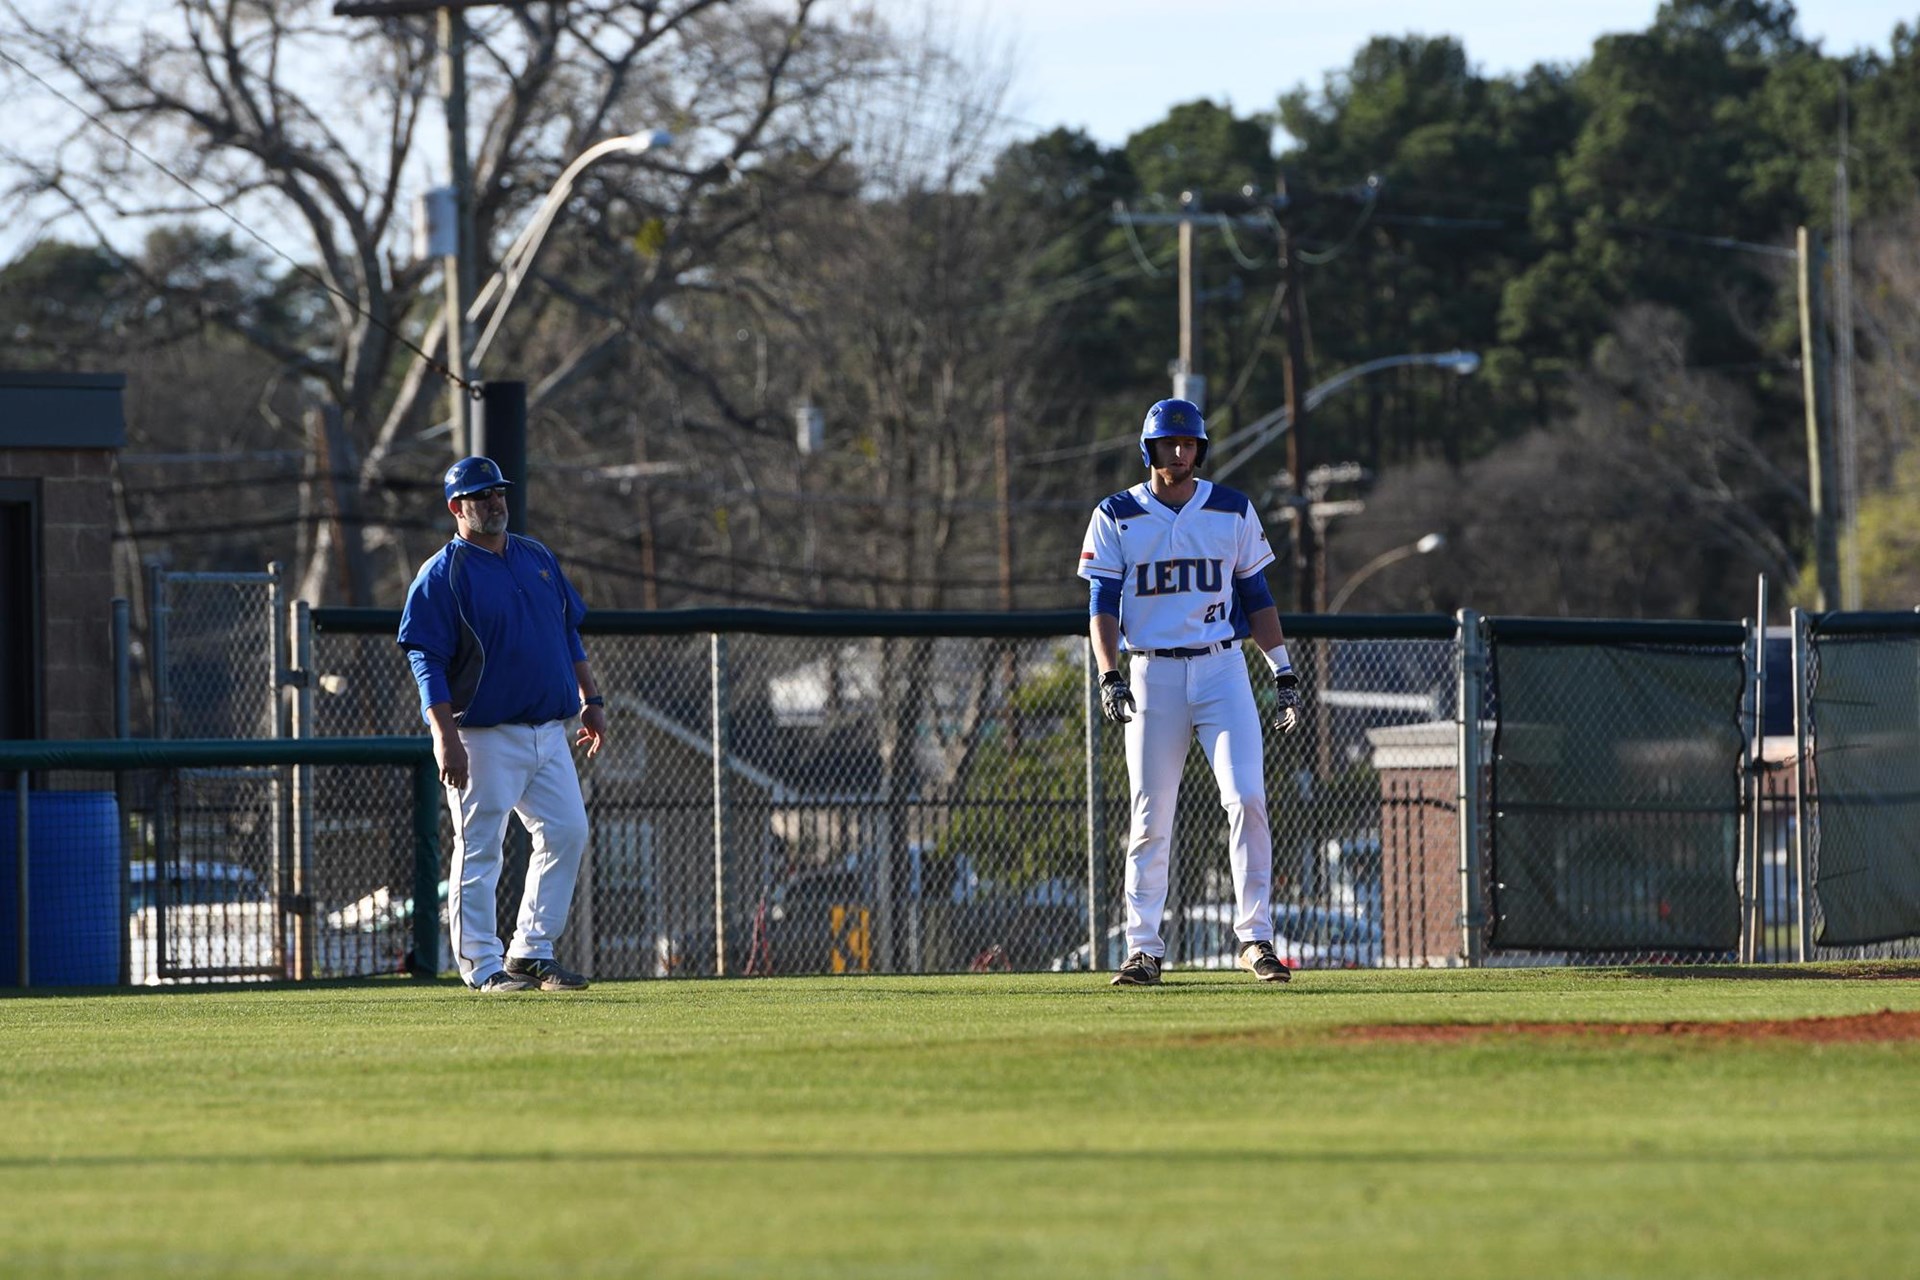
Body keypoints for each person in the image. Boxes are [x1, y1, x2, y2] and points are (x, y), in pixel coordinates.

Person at [1077, 399, 1304, 986]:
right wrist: (1109, 673)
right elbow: (1102, 605)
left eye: (1189, 444)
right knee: (1151, 816)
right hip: (1152, 673)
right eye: (1168, 444)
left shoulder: (1231, 508)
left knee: (1247, 798)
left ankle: (1256, 940)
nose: (1179, 453)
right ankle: (1143, 948)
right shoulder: (1116, 513)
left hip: (1223, 670)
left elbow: (1257, 598)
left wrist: (1282, 671)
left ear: (1200, 448)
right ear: (1148, 450)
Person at [397, 456, 607, 992]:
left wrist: (592, 697)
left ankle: (532, 951)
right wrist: (444, 736)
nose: (494, 501)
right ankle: (481, 966)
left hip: (549, 730)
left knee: (567, 831)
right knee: (479, 847)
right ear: (456, 508)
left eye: (498, 491)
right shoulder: (444, 572)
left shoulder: (535, 555)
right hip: (482, 735)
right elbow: (426, 659)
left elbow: (569, 634)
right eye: (480, 495)